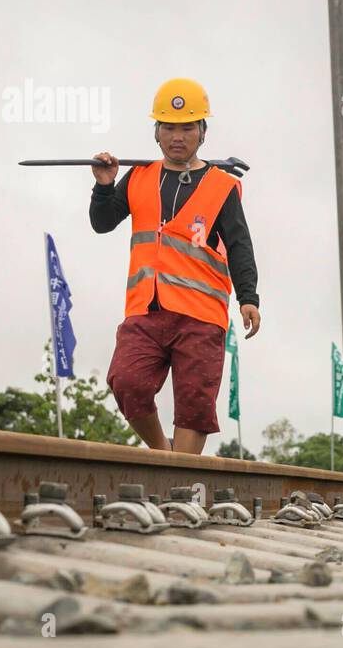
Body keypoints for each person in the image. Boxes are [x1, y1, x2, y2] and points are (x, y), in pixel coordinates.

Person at [90, 78, 260, 454]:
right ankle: (161, 453)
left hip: (201, 317)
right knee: (126, 381)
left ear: (202, 132)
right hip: (145, 311)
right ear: (156, 132)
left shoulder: (222, 186)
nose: (177, 136)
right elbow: (102, 223)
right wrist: (104, 185)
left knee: (193, 406)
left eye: (187, 127)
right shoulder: (139, 177)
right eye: (168, 127)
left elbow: (239, 245)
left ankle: (180, 485)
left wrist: (249, 297)